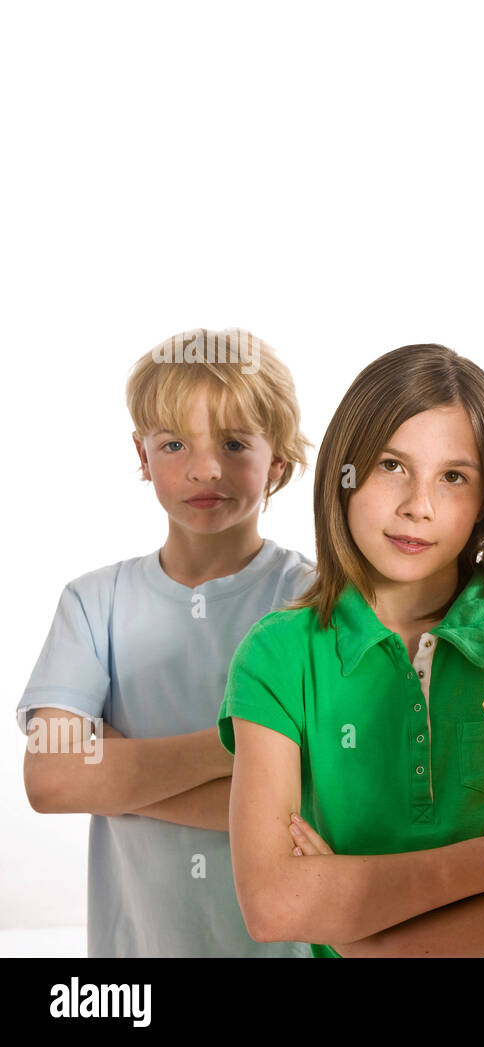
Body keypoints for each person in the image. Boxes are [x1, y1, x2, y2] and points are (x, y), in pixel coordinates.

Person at [219, 344, 484, 957]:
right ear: (344, 473)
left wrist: (359, 931)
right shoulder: (278, 656)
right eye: (392, 465)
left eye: (454, 477)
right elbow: (275, 904)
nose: (417, 505)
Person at [20, 328, 314, 957]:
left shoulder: (315, 600)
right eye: (175, 443)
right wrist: (250, 753)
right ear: (142, 454)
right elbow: (52, 780)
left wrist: (118, 778)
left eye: (235, 443)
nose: (205, 468)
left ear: (280, 460)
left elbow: (318, 805)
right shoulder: (92, 602)